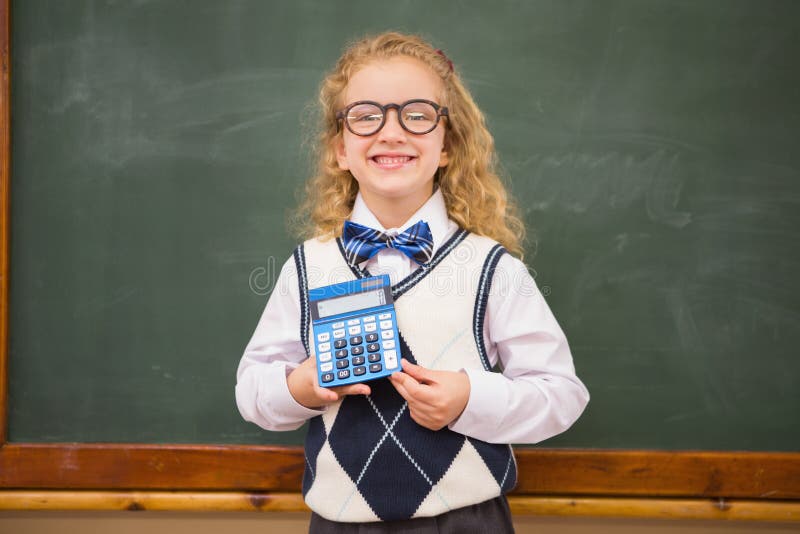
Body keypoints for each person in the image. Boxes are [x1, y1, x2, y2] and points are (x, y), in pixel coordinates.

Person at [236, 31, 589, 533]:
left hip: (466, 521)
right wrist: (301, 386)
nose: (391, 132)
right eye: (365, 116)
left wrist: (469, 399)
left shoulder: (492, 267)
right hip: (340, 523)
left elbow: (561, 394)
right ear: (340, 149)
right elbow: (252, 390)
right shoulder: (306, 265)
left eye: (418, 115)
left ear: (448, 145)